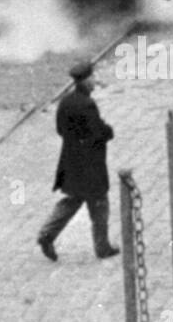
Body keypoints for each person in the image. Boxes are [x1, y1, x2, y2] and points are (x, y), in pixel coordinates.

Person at [37, 61, 120, 262]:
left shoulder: (66, 101)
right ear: (84, 81)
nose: (94, 81)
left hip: (71, 162)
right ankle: (102, 247)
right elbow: (97, 132)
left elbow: (60, 129)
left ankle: (47, 234)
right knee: (100, 204)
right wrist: (108, 131)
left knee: (72, 200)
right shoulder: (87, 104)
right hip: (90, 165)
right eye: (92, 78)